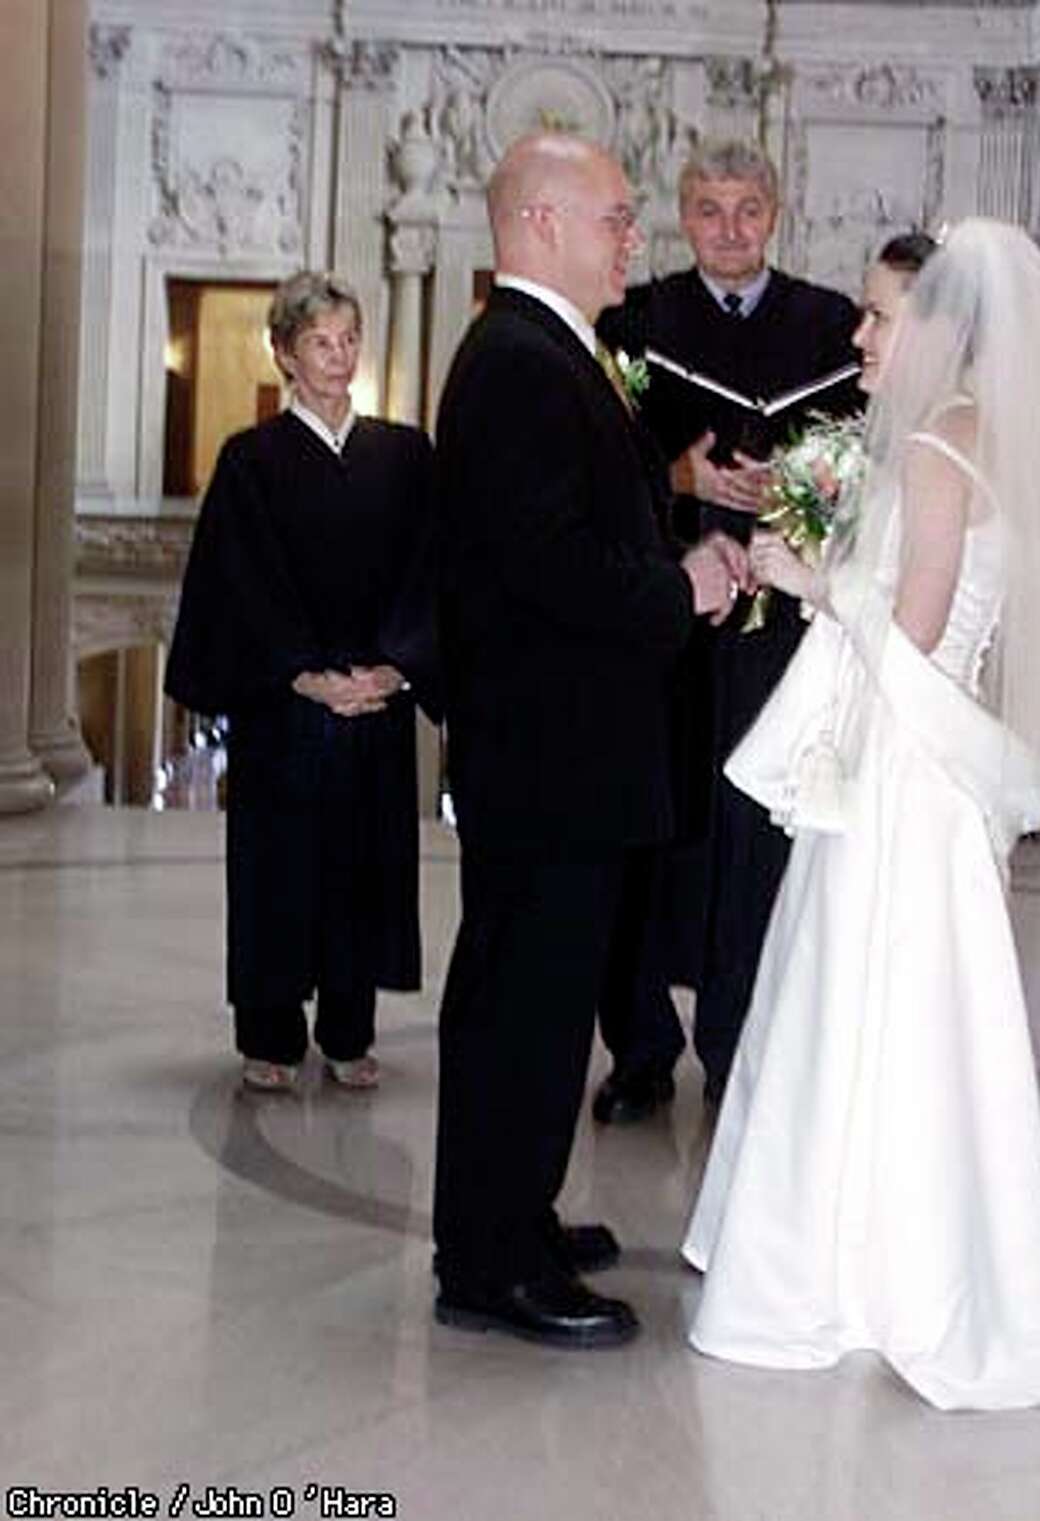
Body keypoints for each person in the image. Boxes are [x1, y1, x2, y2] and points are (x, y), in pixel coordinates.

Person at [682, 220, 1040, 1410]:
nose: (859, 333)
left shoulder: (940, 448)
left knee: (867, 994)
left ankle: (851, 1263)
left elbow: (916, 638)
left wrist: (803, 578)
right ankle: (897, 1239)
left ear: (941, 328)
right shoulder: (969, 440)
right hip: (910, 770)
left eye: (881, 316)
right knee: (907, 1004)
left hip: (902, 772)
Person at [432, 132, 749, 1348]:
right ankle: (489, 1261)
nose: (636, 238)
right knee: (524, 1003)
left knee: (539, 999)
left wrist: (674, 551)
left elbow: (582, 529)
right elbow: (549, 567)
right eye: (617, 219)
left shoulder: (550, 352)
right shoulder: (519, 362)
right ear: (544, 226)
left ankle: (510, 1214)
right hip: (548, 752)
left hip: (562, 751)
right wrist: (686, 593)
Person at [592, 139, 862, 1122]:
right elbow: (595, 465)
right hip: (661, 626)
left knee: (753, 837)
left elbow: (864, 465)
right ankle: (641, 1050)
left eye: (748, 207)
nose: (730, 228)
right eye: (709, 209)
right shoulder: (635, 326)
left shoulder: (833, 329)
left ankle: (742, 1044)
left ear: (777, 212)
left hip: (774, 630)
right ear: (682, 215)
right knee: (650, 829)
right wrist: (680, 482)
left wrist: (793, 494)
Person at [165, 271, 439, 1094]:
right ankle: (271, 1031)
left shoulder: (404, 454)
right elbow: (238, 586)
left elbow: (433, 570)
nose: (339, 355)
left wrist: (397, 664)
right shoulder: (251, 461)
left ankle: (350, 1031)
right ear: (283, 352)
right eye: (320, 341)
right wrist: (306, 677)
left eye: (350, 338)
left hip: (378, 701)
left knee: (365, 863)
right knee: (277, 867)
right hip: (286, 707)